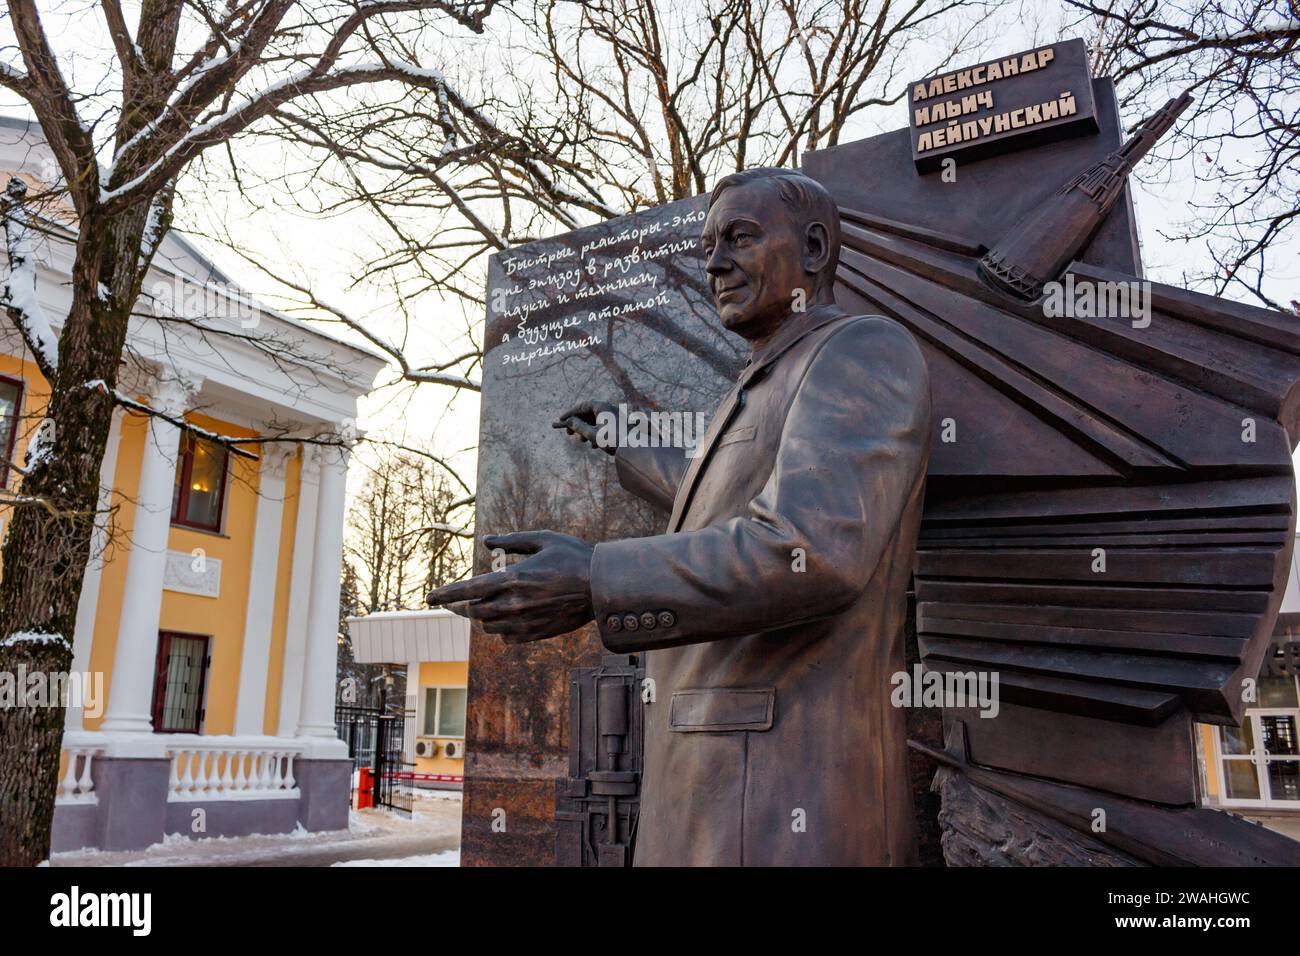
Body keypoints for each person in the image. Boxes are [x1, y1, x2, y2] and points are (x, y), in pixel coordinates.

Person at [430, 167, 932, 865]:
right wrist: (623, 439)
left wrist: (596, 579)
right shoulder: (760, 384)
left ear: (814, 250)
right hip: (709, 801)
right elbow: (718, 493)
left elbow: (810, 550)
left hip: (784, 806)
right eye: (706, 245)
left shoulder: (860, 351)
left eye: (741, 238)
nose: (715, 262)